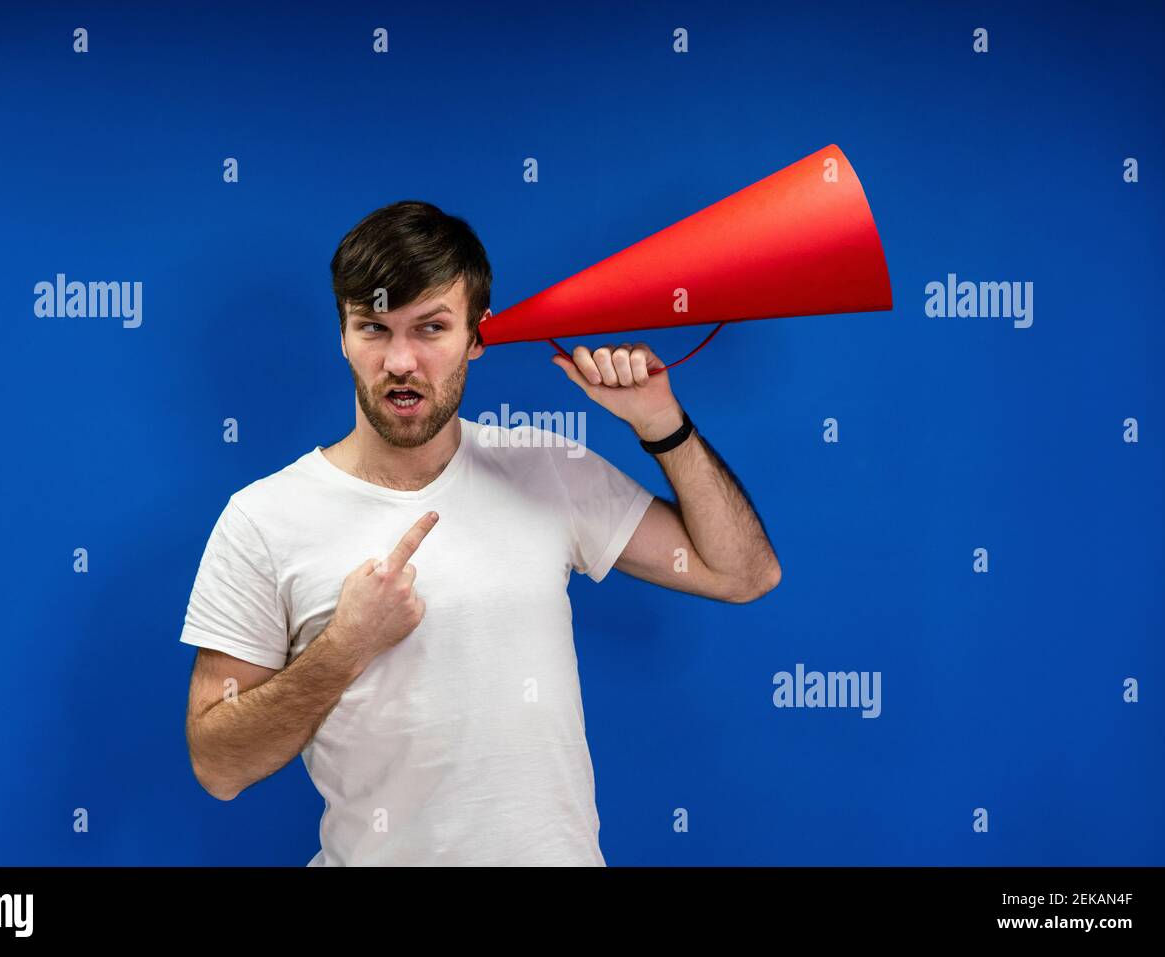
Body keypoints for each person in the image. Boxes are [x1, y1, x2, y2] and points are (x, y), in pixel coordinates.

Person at [179, 200, 781, 866]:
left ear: (476, 336)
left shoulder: (549, 466)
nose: (401, 360)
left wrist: (661, 425)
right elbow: (218, 765)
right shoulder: (262, 518)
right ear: (342, 335)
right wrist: (346, 644)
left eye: (431, 327)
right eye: (374, 327)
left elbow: (744, 572)